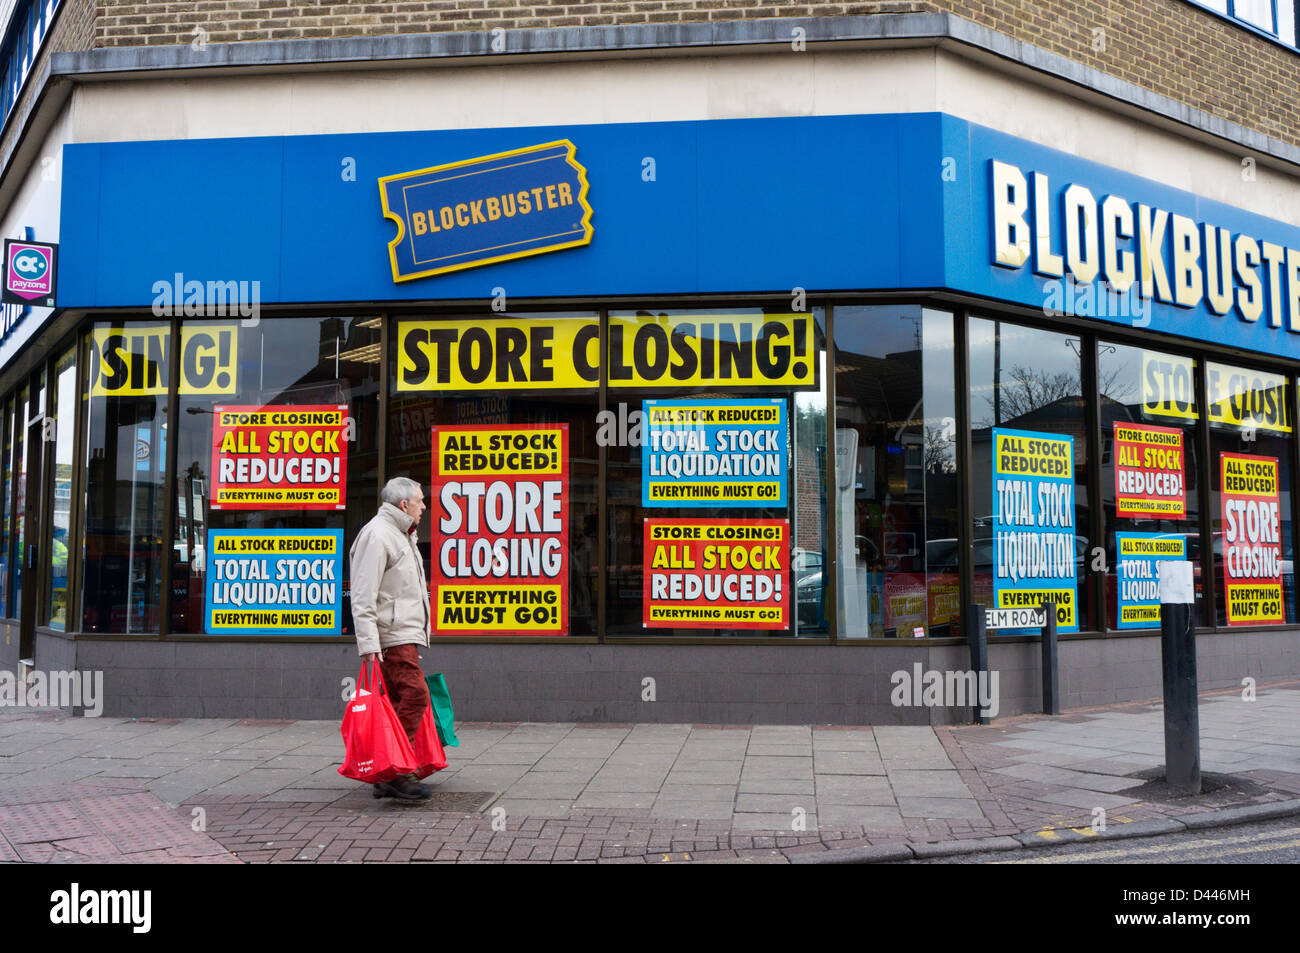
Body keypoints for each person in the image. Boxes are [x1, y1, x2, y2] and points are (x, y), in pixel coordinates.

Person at [350, 476, 434, 801]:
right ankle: (395, 771)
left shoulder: (400, 534)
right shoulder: (378, 535)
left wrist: (412, 639)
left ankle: (391, 770)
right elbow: (363, 595)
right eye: (420, 500)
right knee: (416, 695)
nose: (424, 506)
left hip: (401, 636)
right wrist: (370, 644)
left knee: (403, 699)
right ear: (404, 505)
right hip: (390, 638)